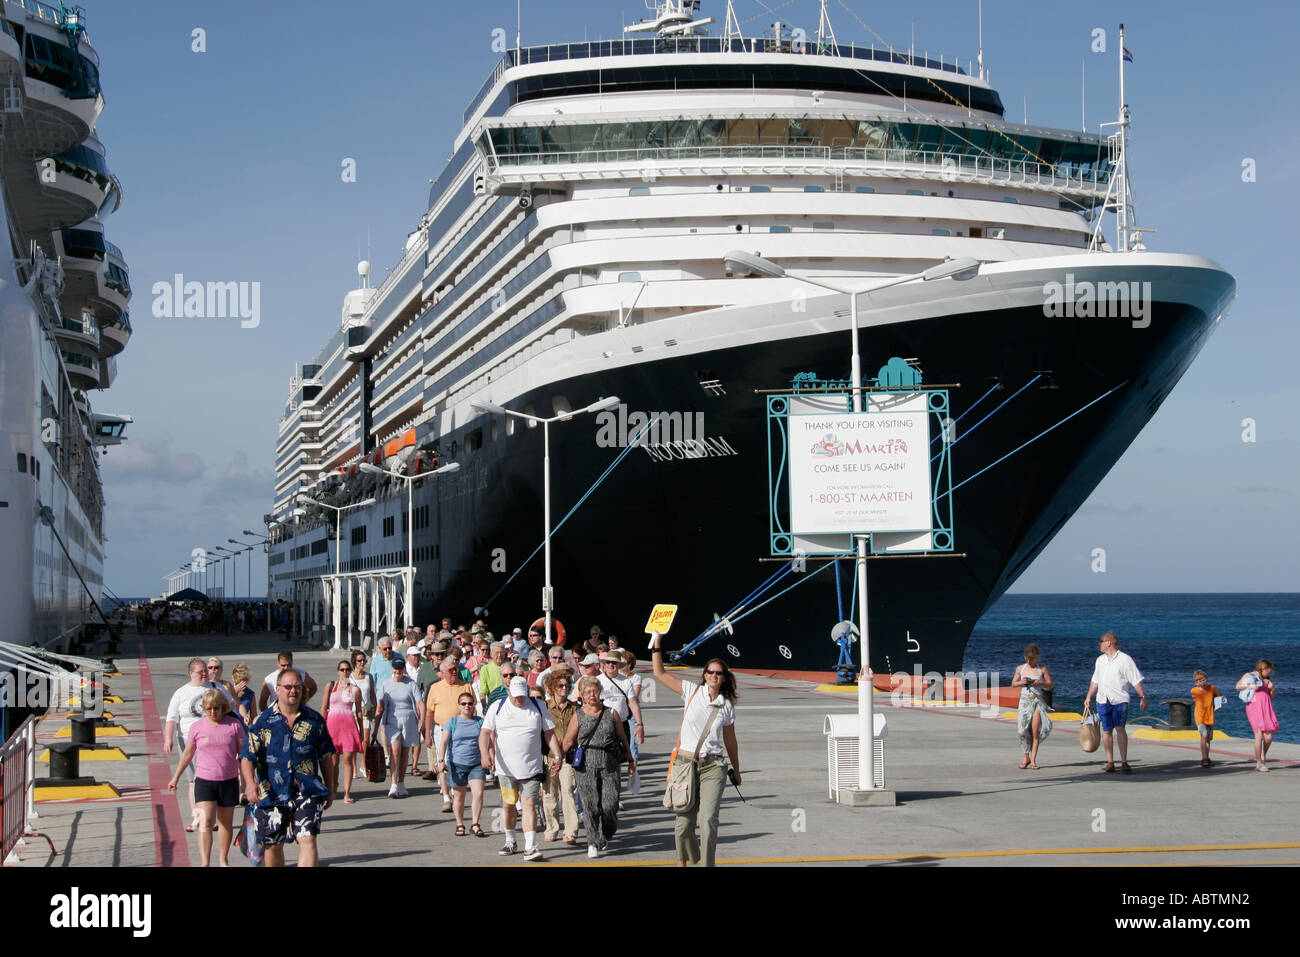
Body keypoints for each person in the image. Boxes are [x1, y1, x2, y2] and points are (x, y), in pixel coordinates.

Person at [650, 633, 740, 867]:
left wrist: (736, 771)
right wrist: (657, 644)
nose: (713, 676)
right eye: (710, 672)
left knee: (708, 820)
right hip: (685, 764)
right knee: (683, 825)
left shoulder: (726, 706)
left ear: (724, 678)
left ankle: (707, 864)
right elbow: (660, 673)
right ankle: (685, 859)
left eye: (718, 673)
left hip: (713, 766)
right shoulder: (691, 691)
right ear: (704, 675)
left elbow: (730, 741)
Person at [239, 669, 337, 867]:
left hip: (307, 789)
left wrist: (331, 786)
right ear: (277, 689)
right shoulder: (262, 722)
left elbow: (326, 755)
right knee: (273, 845)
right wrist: (250, 784)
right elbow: (247, 756)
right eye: (288, 687)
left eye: (297, 687)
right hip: (272, 791)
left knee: (308, 838)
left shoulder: (314, 720)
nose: (293, 691)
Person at [480, 677, 564, 862]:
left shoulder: (538, 706)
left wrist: (557, 755)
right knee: (509, 805)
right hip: (505, 769)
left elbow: (549, 733)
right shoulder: (498, 707)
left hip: (532, 768)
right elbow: (485, 732)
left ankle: (530, 846)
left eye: (522, 695)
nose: (519, 699)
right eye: (515, 696)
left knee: (529, 804)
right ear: (508, 691)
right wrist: (484, 754)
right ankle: (511, 841)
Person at [167, 689, 245, 866]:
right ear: (203, 708)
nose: (212, 712)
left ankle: (223, 859)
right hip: (204, 781)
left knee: (225, 823)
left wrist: (246, 781)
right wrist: (175, 777)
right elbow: (187, 754)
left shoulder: (233, 725)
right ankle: (205, 862)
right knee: (205, 821)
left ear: (222, 707)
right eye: (208, 709)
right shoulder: (197, 727)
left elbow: (243, 755)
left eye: (216, 708)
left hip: (228, 781)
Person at [562, 675, 633, 859]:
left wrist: (631, 760)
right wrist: (556, 759)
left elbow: (623, 738)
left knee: (610, 803)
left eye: (594, 691)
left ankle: (608, 831)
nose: (592, 695)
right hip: (586, 764)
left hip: (609, 762)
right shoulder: (578, 715)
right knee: (591, 805)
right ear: (582, 696)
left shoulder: (611, 713)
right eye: (587, 692)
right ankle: (593, 842)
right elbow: (568, 741)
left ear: (599, 692)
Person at [1083, 632, 1147, 773]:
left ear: (1109, 643)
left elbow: (1135, 679)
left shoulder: (1125, 660)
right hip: (1102, 699)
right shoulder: (1100, 660)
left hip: (1119, 700)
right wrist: (1088, 696)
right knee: (1106, 731)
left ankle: (1124, 761)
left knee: (1120, 729)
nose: (1099, 644)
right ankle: (1110, 761)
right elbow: (1095, 680)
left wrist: (1142, 697)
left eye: (1101, 641)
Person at [165, 658, 212, 832]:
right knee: (193, 780)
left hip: (212, 742)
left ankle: (208, 816)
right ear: (191, 673)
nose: (205, 674)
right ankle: (197, 817)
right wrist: (168, 739)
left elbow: (231, 707)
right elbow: (171, 718)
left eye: (206, 671)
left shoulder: (215, 688)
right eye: (201, 672)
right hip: (187, 740)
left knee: (209, 780)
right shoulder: (181, 693)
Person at [425, 656, 475, 812]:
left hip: (462, 730)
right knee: (444, 761)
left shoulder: (466, 686)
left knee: (458, 761)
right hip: (442, 729)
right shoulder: (435, 688)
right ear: (443, 672)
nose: (454, 672)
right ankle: (446, 796)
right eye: (451, 670)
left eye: (456, 669)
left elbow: (473, 709)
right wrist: (427, 733)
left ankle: (455, 792)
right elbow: (429, 712)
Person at [436, 691, 487, 837]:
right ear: (459, 706)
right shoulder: (452, 722)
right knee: (459, 797)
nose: (467, 706)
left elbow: (486, 741)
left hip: (475, 763)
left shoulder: (479, 722)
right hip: (457, 763)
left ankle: (475, 823)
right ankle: (459, 824)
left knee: (478, 793)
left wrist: (488, 757)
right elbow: (444, 742)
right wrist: (441, 761)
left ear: (474, 705)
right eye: (464, 704)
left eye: (470, 704)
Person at [372, 657, 425, 797]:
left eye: (400, 669)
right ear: (392, 669)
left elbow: (420, 703)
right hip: (392, 721)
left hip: (408, 720)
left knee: (405, 751)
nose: (398, 671)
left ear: (403, 669)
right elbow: (380, 707)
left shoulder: (411, 684)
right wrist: (376, 727)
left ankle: (401, 783)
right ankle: (393, 784)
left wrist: (422, 720)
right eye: (395, 669)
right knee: (395, 751)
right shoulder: (386, 684)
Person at [541, 669, 579, 845]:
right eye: (560, 685)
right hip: (548, 756)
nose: (565, 688)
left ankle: (571, 830)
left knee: (568, 792)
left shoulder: (574, 708)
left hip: (567, 756)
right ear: (552, 688)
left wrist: (562, 754)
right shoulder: (545, 707)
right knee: (549, 793)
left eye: (567, 685)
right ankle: (552, 827)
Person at [323, 660, 365, 803]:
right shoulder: (330, 686)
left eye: (347, 669)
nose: (345, 672)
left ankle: (347, 793)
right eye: (342, 669)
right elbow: (324, 708)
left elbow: (359, 711)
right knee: (333, 760)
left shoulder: (354, 689)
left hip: (348, 726)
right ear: (338, 671)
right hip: (332, 725)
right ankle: (334, 787)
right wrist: (321, 728)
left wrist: (361, 731)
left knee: (347, 759)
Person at [1013, 643, 1053, 769]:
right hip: (1024, 701)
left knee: (1035, 732)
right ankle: (1026, 756)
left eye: (1033, 659)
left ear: (1037, 657)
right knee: (1021, 730)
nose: (1030, 661)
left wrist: (1040, 682)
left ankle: (1034, 760)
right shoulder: (1020, 668)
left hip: (1037, 701)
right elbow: (1013, 683)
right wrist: (1021, 682)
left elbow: (1050, 684)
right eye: (1028, 659)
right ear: (1025, 657)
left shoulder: (1042, 669)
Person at [1237, 659, 1278, 772]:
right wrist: (1251, 686)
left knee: (1268, 737)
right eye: (1268, 671)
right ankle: (1259, 763)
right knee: (1259, 735)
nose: (1269, 673)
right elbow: (1238, 686)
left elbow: (1271, 696)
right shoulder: (1250, 675)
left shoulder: (1267, 680)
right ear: (1263, 668)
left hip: (1266, 708)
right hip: (1254, 707)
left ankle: (1262, 756)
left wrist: (1272, 688)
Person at [1189, 669, 1220, 768]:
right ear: (1195, 682)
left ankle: (1207, 757)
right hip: (1200, 716)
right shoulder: (1194, 690)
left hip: (1209, 716)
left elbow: (1218, 698)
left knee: (1208, 739)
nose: (1201, 682)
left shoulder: (1212, 688)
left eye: (1202, 680)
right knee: (1204, 736)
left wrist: (1217, 706)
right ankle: (1204, 758)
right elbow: (1199, 693)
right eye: (1198, 681)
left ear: (1206, 679)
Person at [403, 645, 426, 775]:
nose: (416, 657)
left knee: (417, 735)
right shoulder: (404, 668)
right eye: (414, 655)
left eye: (418, 655)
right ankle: (405, 763)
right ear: (408, 657)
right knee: (405, 736)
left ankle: (415, 765)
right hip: (407, 704)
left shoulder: (423, 667)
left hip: (420, 703)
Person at [349, 651, 376, 742]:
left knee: (365, 740)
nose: (362, 663)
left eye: (364, 660)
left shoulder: (369, 676)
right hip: (352, 712)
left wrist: (375, 710)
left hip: (366, 711)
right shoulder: (348, 677)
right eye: (359, 660)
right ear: (354, 662)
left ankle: (364, 757)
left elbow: (372, 694)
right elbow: (345, 697)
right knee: (353, 741)